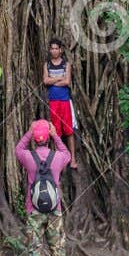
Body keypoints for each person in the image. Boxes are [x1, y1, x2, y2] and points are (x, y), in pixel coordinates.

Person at [15, 118, 71, 256]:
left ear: (35, 139)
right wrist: (56, 135)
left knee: (33, 253)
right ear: (48, 138)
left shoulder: (28, 157)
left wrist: (29, 132)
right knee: (59, 254)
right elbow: (67, 153)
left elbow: (17, 149)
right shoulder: (58, 158)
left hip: (34, 211)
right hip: (55, 211)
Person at [43, 36, 77, 170]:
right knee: (56, 132)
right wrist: (59, 78)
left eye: (56, 48)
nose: (54, 51)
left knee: (69, 131)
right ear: (50, 50)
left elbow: (67, 82)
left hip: (64, 100)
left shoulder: (66, 64)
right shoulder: (47, 65)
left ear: (61, 50)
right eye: (52, 49)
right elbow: (45, 81)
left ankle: (73, 159)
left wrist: (53, 79)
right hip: (53, 101)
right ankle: (60, 161)